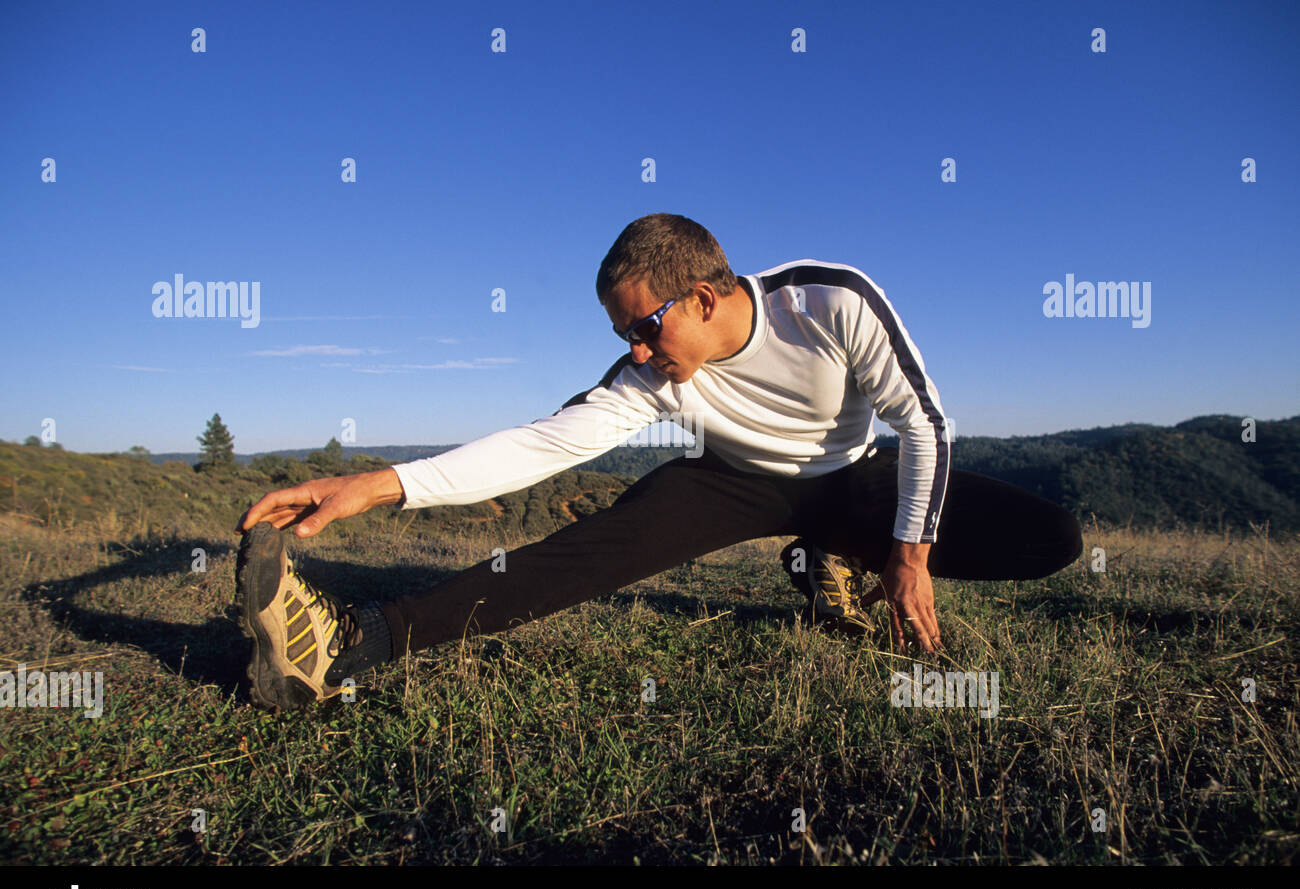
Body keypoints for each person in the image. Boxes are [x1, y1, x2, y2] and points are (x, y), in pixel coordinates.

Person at [234, 213, 1082, 712]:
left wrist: (906, 556)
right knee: (586, 554)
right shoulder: (650, 379)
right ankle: (351, 642)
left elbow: (924, 421)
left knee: (1050, 537)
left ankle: (834, 555)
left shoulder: (829, 302)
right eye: (621, 336)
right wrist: (373, 487)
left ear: (705, 297)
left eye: (645, 327)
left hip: (851, 477)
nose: (636, 350)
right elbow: (539, 444)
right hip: (731, 482)